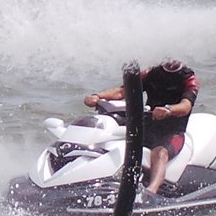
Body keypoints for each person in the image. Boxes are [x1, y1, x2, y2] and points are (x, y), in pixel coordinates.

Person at [85, 59, 200, 195]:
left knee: (159, 153)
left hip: (173, 132)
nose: (171, 60)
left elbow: (186, 106)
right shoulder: (152, 73)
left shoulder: (188, 79)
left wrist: (169, 110)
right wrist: (97, 96)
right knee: (117, 144)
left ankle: (151, 192)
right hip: (148, 128)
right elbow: (122, 92)